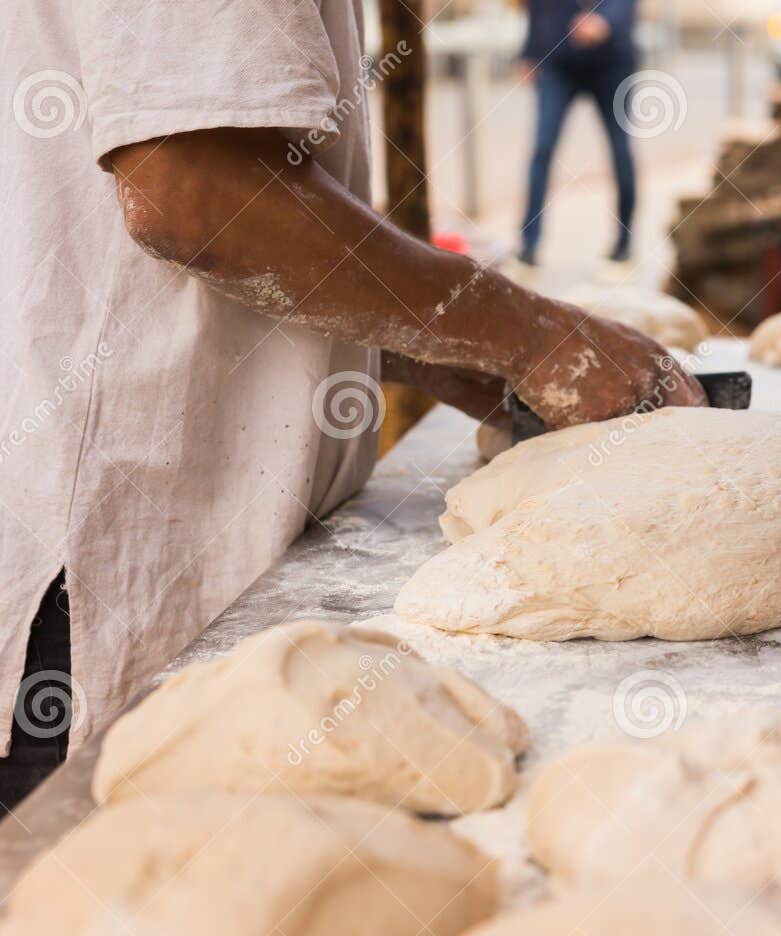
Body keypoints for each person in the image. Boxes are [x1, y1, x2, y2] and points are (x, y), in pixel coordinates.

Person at [0, 1, 703, 811]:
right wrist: (533, 336)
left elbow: (231, 225)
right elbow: (196, 197)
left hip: (170, 548)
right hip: (103, 584)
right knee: (115, 917)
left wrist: (454, 354)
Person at [518, 0, 641, 266]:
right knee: (542, 147)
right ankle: (528, 246)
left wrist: (606, 21)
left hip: (612, 63)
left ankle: (624, 243)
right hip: (558, 62)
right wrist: (529, 52)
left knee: (620, 150)